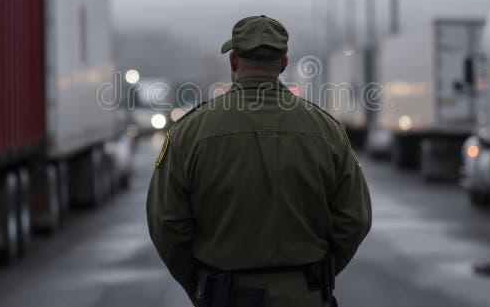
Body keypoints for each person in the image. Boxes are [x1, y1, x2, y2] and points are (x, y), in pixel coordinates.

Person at [147, 15, 372, 307]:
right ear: (283, 64)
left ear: (233, 62)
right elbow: (355, 219)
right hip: (305, 296)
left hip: (225, 297)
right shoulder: (327, 130)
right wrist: (314, 276)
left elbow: (167, 224)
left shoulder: (189, 132)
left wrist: (201, 285)